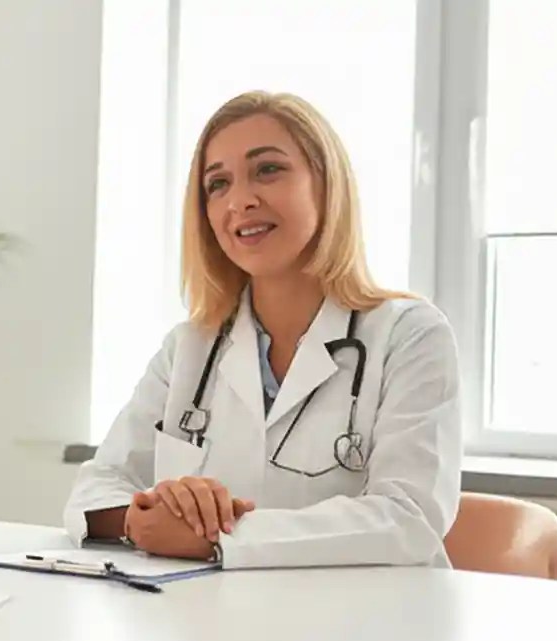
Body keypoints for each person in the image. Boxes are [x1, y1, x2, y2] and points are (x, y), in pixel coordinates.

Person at [64, 90, 462, 569]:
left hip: (367, 626)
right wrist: (140, 518)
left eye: (267, 170)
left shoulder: (410, 335)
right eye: (218, 184)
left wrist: (218, 538)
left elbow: (410, 518)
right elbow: (98, 484)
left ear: (325, 184)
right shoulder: (191, 348)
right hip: (214, 623)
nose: (241, 201)